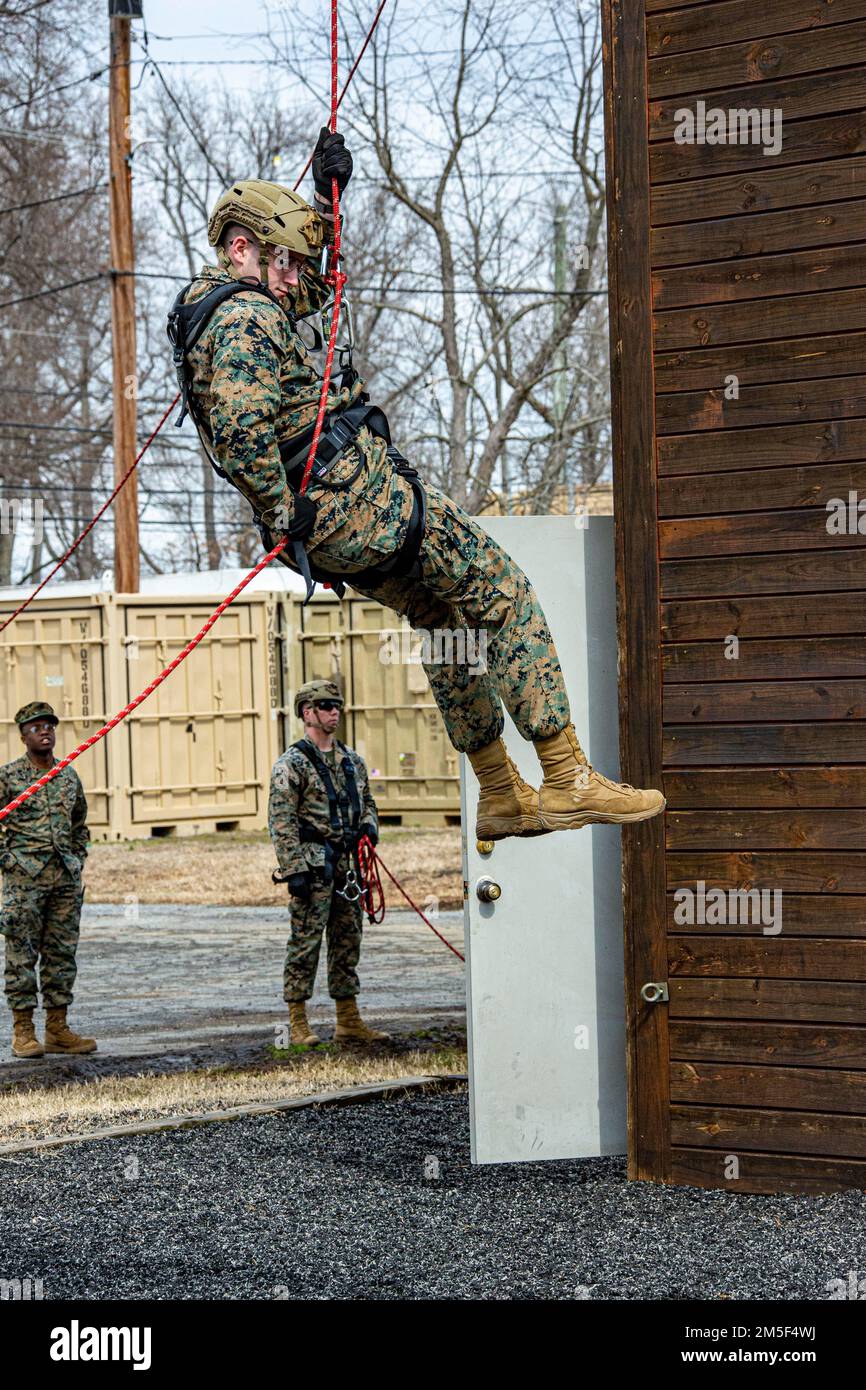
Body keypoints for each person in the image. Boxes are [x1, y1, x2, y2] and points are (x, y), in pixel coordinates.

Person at [168, 130, 665, 842]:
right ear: (240, 246)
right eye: (282, 261)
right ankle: (566, 778)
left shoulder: (229, 308)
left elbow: (313, 292)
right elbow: (243, 429)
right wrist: (286, 509)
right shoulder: (245, 314)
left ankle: (501, 793)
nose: (293, 278)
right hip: (357, 500)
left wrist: (326, 206)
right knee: (504, 590)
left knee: (443, 620)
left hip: (332, 530)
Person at [269, 679, 388, 1047]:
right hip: (313, 865)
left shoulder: (353, 762)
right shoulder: (291, 764)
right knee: (305, 943)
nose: (334, 711)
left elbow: (368, 803)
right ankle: (297, 1021)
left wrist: (369, 826)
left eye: (337, 705)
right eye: (325, 705)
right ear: (307, 712)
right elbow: (281, 820)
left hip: (349, 866)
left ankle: (348, 1019)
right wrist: (293, 870)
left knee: (347, 939)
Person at [0, 703, 96, 1058]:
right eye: (36, 727)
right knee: (21, 955)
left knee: (61, 955)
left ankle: (57, 1028)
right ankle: (23, 1031)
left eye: (49, 726)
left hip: (64, 881)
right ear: (23, 736)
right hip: (24, 881)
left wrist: (77, 858)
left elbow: (79, 824)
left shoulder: (67, 776)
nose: (45, 732)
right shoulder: (8, 778)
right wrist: (8, 860)